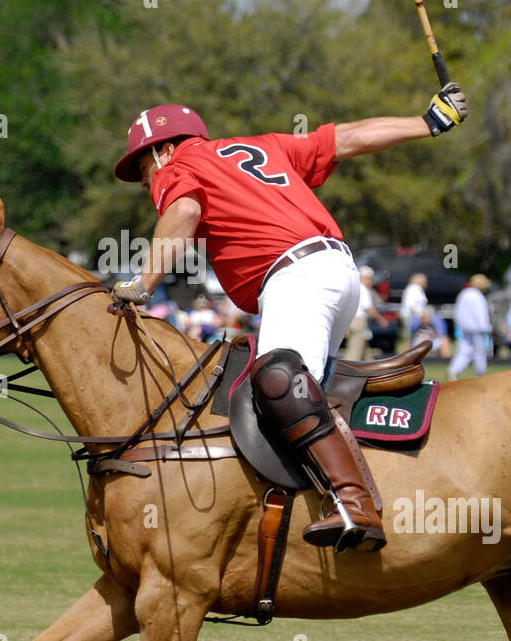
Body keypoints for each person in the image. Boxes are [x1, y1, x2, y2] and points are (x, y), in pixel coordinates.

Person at [110, 84, 468, 553]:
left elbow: (185, 210)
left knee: (278, 381)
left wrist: (143, 284)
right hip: (338, 271)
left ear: (163, 149)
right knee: (303, 387)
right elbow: (346, 138)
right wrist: (427, 122)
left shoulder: (176, 166)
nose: (143, 181)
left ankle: (353, 502)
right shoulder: (263, 146)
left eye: (141, 165)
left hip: (295, 277)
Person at [447, 274, 493, 380]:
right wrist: (486, 327)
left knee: (465, 349)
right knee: (479, 352)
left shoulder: (464, 293)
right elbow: (480, 314)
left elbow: (458, 312)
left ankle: (454, 369)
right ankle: (480, 373)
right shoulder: (477, 296)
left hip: (464, 327)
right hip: (477, 328)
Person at [343, 266, 385, 360]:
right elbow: (369, 308)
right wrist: (381, 319)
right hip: (359, 321)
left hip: (351, 320)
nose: (371, 282)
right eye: (370, 279)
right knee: (355, 350)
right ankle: (348, 372)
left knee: (364, 350)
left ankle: (371, 367)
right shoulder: (363, 289)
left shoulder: (353, 288)